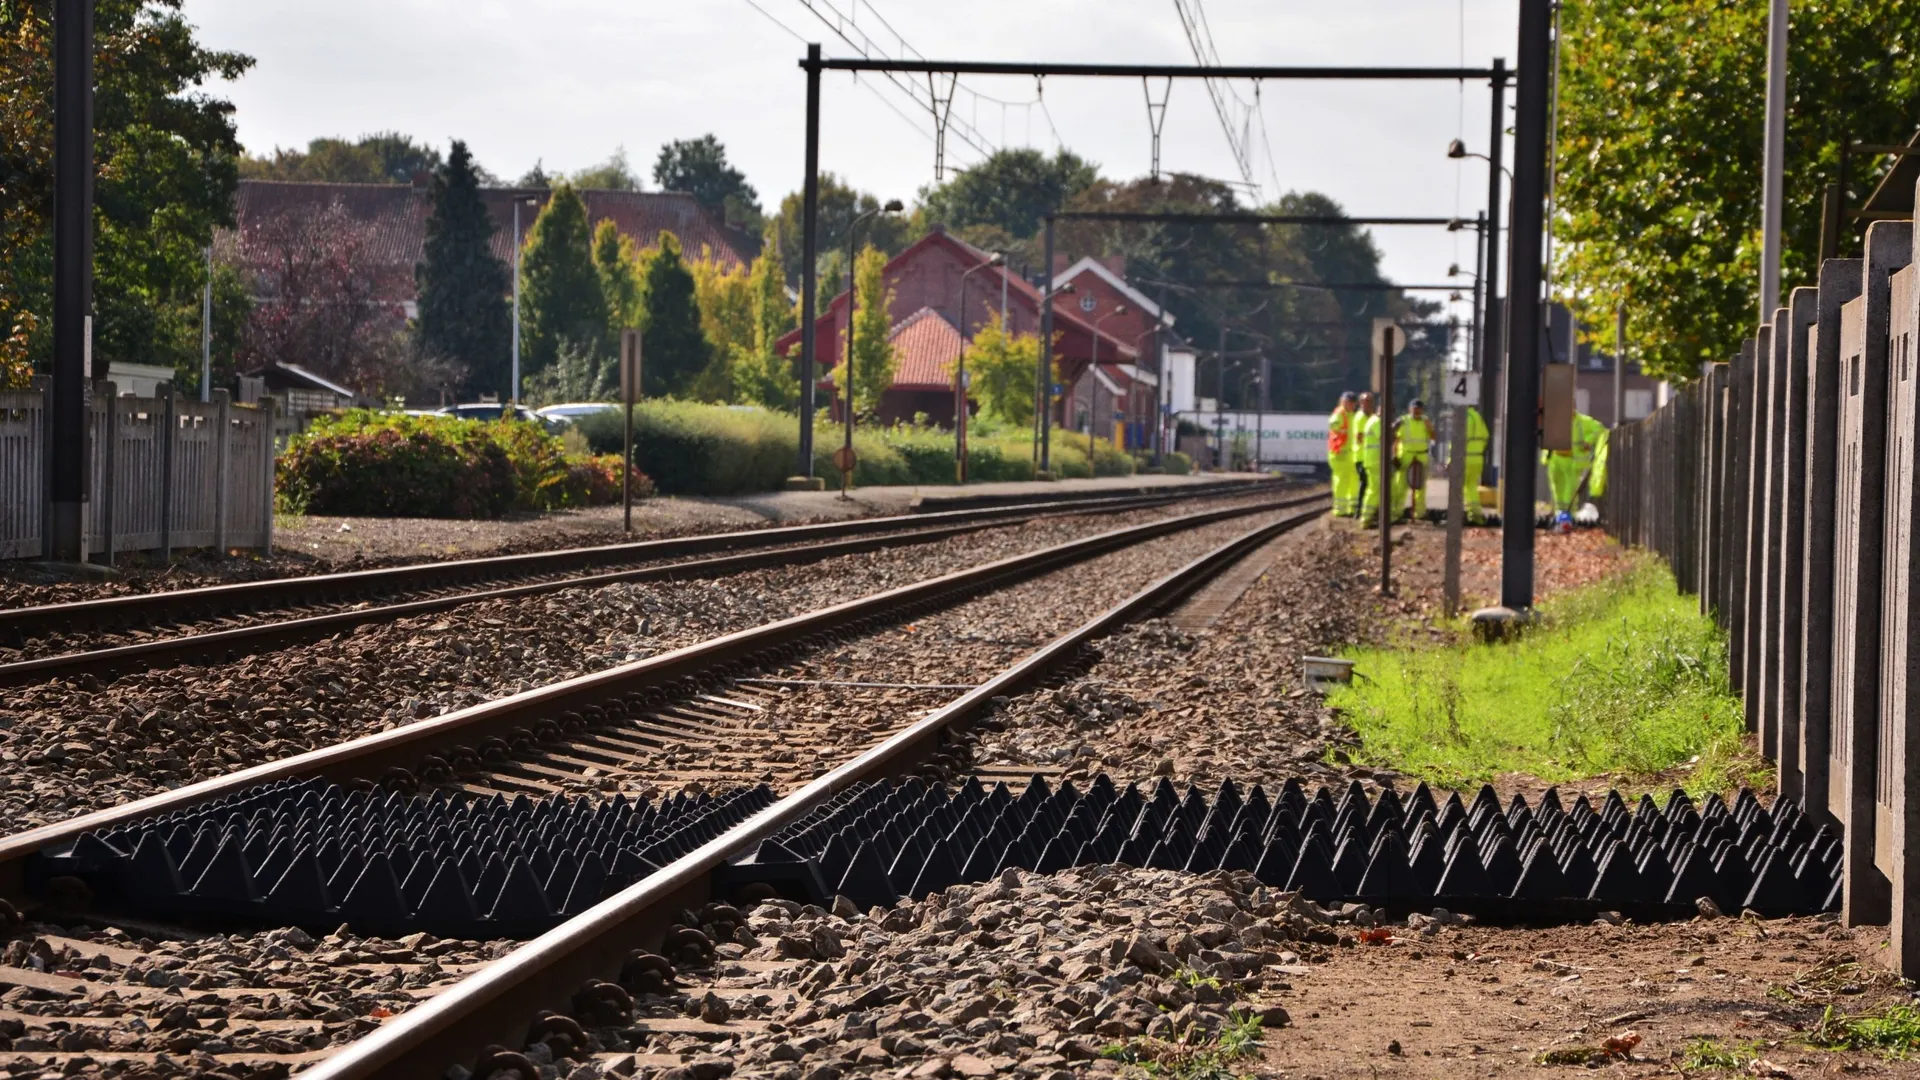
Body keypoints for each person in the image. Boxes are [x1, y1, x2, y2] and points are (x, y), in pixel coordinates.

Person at [1542, 411, 1610, 532]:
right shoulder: (1556, 420)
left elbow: (1600, 430)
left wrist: (1588, 441)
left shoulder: (1583, 421)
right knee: (1557, 491)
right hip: (1555, 459)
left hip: (1572, 461)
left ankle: (1568, 518)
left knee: (1570, 492)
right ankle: (1561, 516)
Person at [1393, 399, 1434, 521]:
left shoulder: (1425, 421)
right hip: (1406, 455)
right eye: (1414, 408)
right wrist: (1394, 455)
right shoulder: (1404, 421)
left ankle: (1419, 513)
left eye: (1419, 409)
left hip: (1421, 456)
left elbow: (1433, 437)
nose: (1416, 411)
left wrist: (1430, 428)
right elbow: (1396, 439)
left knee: (1420, 486)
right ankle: (1397, 512)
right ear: (1409, 409)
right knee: (1401, 485)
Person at [1326, 392, 1361, 516]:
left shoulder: (1352, 415)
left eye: (1352, 402)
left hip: (1350, 454)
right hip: (1340, 453)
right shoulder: (1340, 414)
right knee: (1342, 481)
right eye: (1348, 402)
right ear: (1342, 402)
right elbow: (1334, 426)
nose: (1350, 404)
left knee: (1353, 480)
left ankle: (1352, 507)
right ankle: (1340, 508)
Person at [1462, 405, 1489, 524]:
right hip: (1478, 457)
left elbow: (1460, 439)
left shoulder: (1465, 417)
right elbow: (1486, 436)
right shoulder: (1478, 417)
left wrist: (1450, 460)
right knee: (1471, 486)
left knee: (1461, 487)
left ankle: (1466, 514)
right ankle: (1475, 513)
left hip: (1465, 458)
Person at [1354, 391, 1377, 518]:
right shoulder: (1360, 417)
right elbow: (1360, 437)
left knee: (1369, 484)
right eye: (1365, 401)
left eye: (1370, 401)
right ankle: (1360, 511)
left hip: (1370, 457)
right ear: (1361, 403)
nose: (1368, 404)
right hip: (1361, 457)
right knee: (1365, 483)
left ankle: (1365, 510)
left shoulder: (1371, 416)